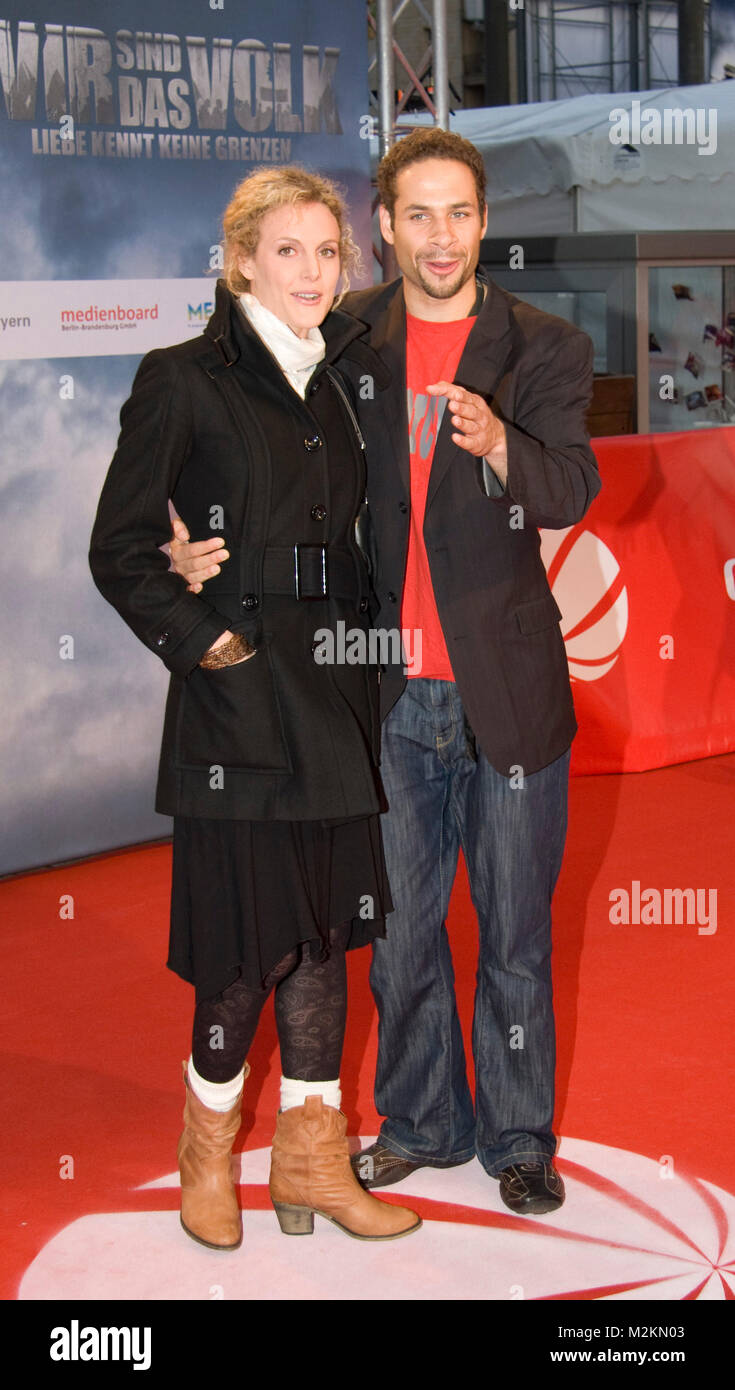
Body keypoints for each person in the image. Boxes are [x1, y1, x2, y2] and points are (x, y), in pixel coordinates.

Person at [171, 129, 601, 1217]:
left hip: (505, 691)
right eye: (418, 214)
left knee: (513, 935)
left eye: (459, 213)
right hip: (376, 693)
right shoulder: (346, 332)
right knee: (400, 932)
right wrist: (185, 536)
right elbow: (243, 438)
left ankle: (517, 1136)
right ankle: (422, 1122)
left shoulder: (541, 343)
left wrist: (499, 440)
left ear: (484, 222)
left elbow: (569, 490)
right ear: (387, 228)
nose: (441, 235)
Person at [89, 166, 421, 1250]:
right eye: (290, 251)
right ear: (241, 261)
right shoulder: (183, 375)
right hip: (236, 705)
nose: (316, 272)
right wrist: (205, 641)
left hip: (334, 689)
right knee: (243, 952)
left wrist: (378, 659)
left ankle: (313, 1160)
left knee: (326, 939)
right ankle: (209, 1146)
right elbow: (122, 549)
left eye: (330, 252)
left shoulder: (344, 374)